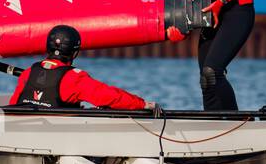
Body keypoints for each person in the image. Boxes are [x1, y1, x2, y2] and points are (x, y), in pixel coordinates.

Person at [10, 25, 156, 111]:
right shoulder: (74, 78)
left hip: (26, 132)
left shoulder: (29, 72)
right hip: (57, 140)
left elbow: (13, 105)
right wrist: (142, 104)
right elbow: (110, 97)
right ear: (74, 52)